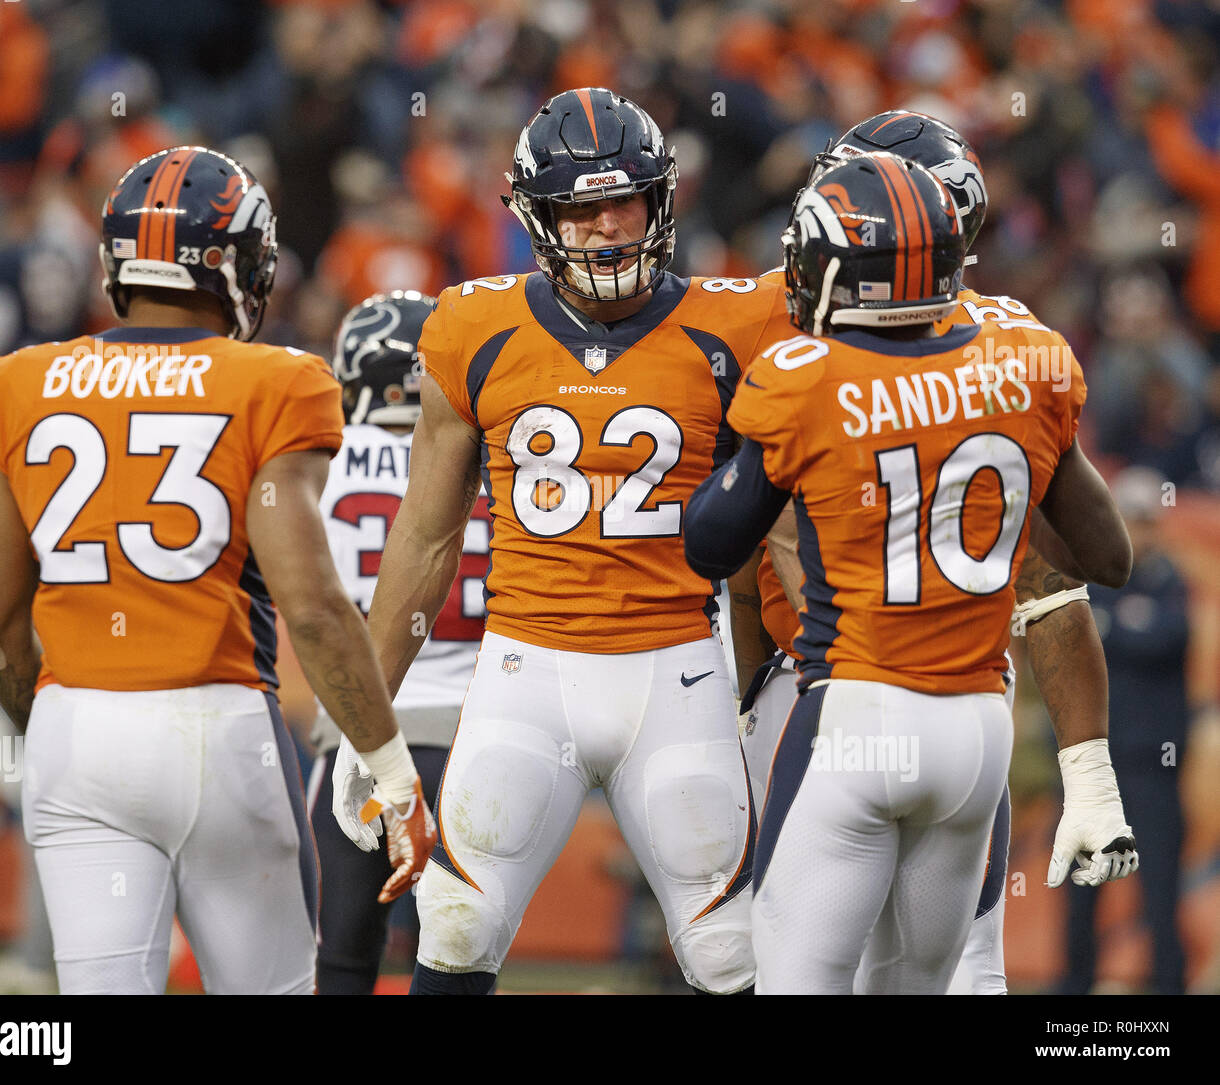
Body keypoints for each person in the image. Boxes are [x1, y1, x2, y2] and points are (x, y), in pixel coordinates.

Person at [0, 145, 434, 995]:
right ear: (240, 265)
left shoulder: (20, 381)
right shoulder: (275, 379)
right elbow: (318, 609)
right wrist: (392, 772)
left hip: (77, 729)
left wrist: (55, 722)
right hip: (217, 728)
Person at [685, 151, 1136, 994]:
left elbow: (710, 546)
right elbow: (1107, 558)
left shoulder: (802, 377)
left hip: (853, 713)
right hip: (974, 734)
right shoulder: (1028, 358)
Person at [366, 87, 781, 995]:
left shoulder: (739, 323)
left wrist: (768, 682)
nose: (604, 227)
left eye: (622, 201)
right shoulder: (473, 326)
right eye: (579, 208)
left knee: (727, 945)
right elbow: (427, 539)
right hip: (528, 670)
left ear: (662, 202)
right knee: (459, 921)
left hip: (677, 665)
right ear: (536, 216)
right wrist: (367, 722)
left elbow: (782, 521)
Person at [307, 289, 490, 994]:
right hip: (478, 731)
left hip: (360, 733)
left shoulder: (322, 457)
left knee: (345, 947)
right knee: (460, 947)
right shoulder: (488, 458)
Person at [1057, 465, 1190, 994]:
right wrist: (1124, 624)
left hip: (1151, 767)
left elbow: (1166, 639)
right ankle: (1071, 992)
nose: (1138, 532)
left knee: (1159, 892)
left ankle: (1168, 990)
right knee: (1082, 890)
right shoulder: (1091, 582)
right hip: (1094, 766)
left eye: (1145, 521)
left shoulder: (1172, 584)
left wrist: (1113, 628)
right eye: (1128, 521)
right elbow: (1073, 647)